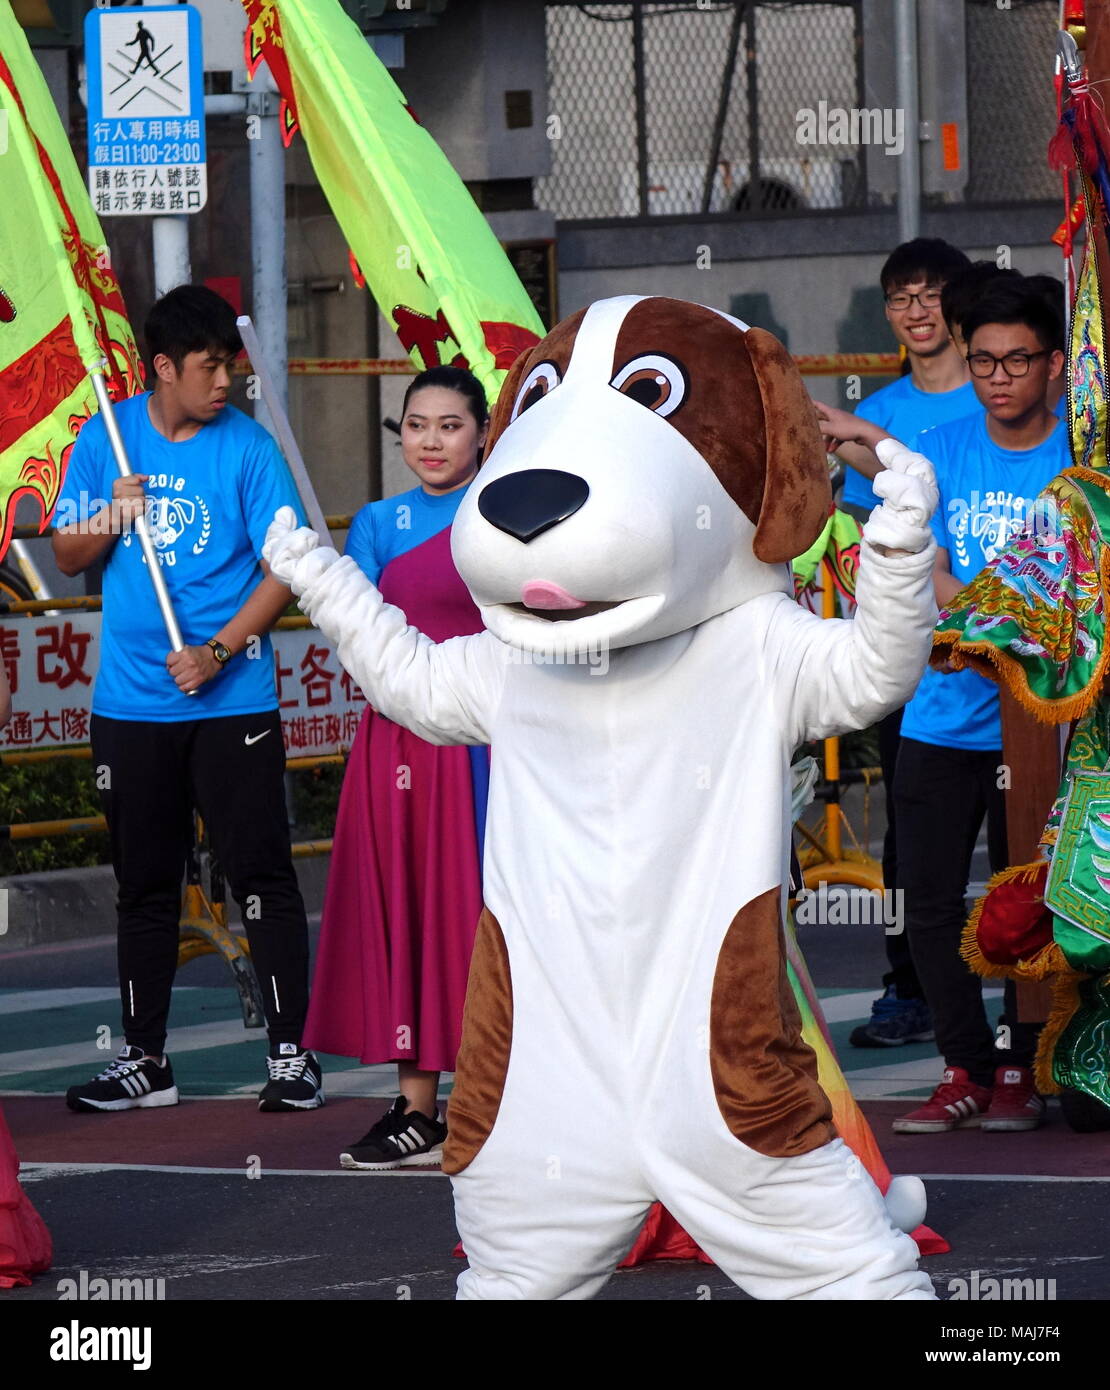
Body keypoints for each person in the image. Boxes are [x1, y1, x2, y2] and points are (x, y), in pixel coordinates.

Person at [52, 285, 321, 1115]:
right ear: (162, 367)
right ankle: (145, 1058)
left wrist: (218, 649)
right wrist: (111, 513)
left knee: (262, 877)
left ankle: (290, 1055)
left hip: (229, 702)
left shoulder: (246, 449)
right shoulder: (107, 433)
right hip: (131, 707)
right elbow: (67, 552)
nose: (225, 383)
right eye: (208, 367)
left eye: (230, 367)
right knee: (143, 886)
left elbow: (286, 567)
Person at [827, 280, 1068, 1133]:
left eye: (1017, 360)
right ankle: (964, 1065)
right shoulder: (943, 445)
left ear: (1054, 363)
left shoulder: (1080, 454)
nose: (999, 377)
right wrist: (977, 607)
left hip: (1041, 725)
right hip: (940, 715)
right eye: (984, 362)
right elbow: (911, 527)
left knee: (1027, 898)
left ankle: (1026, 1064)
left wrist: (1011, 622)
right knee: (927, 899)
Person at [301, 365, 489, 1170]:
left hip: (490, 744)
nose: (432, 441)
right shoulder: (377, 523)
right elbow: (363, 644)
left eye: (450, 425)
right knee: (413, 918)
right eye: (417, 425)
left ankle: (501, 1098)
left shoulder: (506, 511)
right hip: (399, 749)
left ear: (483, 432)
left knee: (489, 921)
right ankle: (417, 1110)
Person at [819, 237, 975, 1048]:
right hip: (914, 657)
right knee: (910, 848)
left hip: (1003, 647)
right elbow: (852, 531)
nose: (917, 312)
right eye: (900, 298)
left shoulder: (997, 401)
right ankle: (907, 988)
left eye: (931, 295)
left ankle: (1036, 1000)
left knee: (1029, 835)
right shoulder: (873, 417)